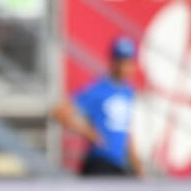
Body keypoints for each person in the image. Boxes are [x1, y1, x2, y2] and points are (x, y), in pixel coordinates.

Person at [53, 35, 145, 177]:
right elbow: (60, 112)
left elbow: (126, 132)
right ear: (113, 62)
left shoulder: (128, 92)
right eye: (120, 61)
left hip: (118, 164)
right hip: (100, 162)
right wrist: (88, 132)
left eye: (128, 62)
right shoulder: (99, 89)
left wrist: (138, 166)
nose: (124, 67)